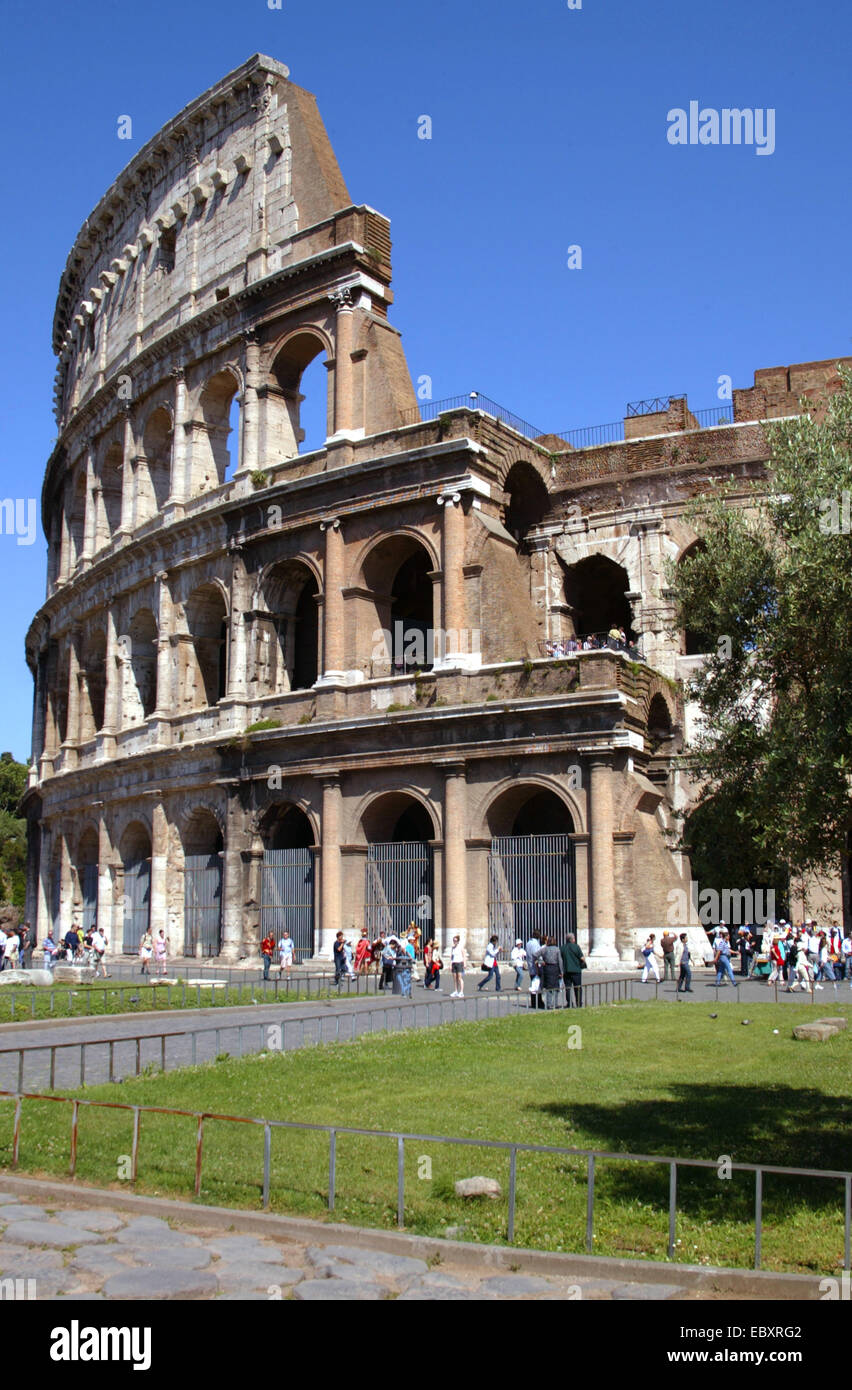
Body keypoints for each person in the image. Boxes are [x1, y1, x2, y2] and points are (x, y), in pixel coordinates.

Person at [535, 935, 563, 1009]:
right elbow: (560, 961)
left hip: (547, 968)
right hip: (555, 968)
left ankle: (549, 1004)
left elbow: (534, 955)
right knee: (556, 987)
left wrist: (541, 961)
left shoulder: (545, 949)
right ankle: (555, 1004)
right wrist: (561, 971)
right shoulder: (557, 949)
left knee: (549, 987)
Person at [559, 933, 586, 1007]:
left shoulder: (562, 948)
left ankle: (569, 1003)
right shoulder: (576, 947)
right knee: (577, 988)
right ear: (572, 939)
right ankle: (578, 1003)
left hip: (566, 970)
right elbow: (582, 958)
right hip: (576, 970)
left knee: (568, 988)